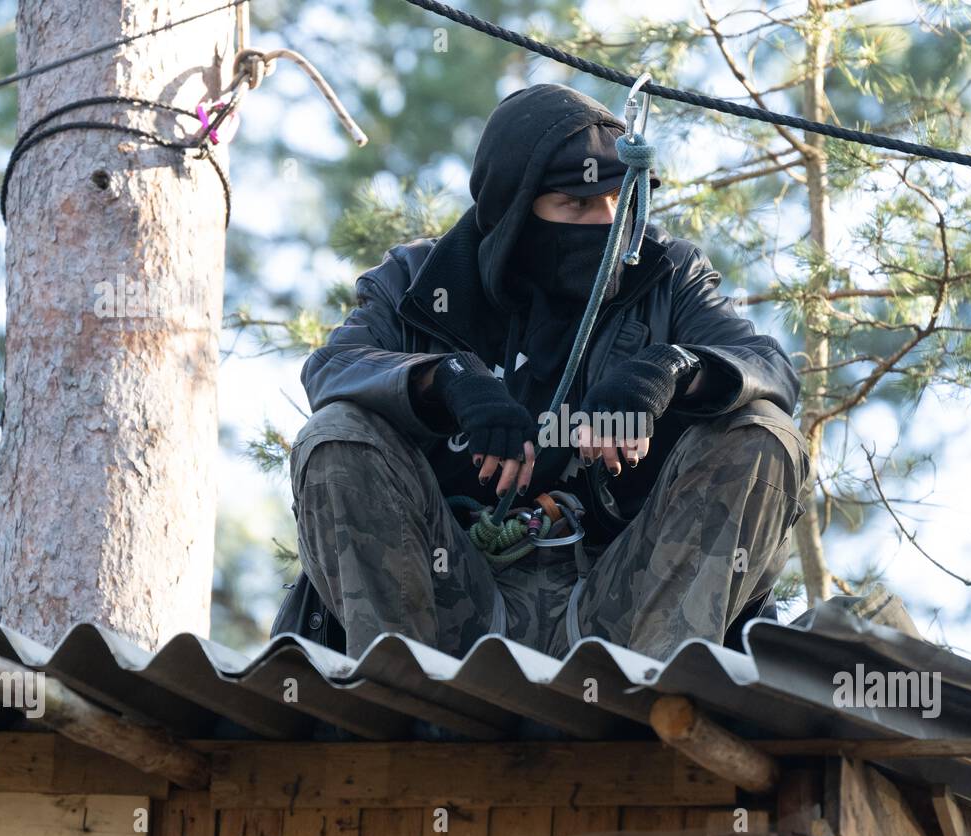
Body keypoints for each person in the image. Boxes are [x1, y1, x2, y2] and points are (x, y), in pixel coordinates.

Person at [281, 82, 811, 662]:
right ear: (513, 213)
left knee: (762, 430)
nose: (606, 223)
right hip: (448, 604)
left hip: (627, 606)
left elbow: (771, 370)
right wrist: (447, 380)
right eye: (577, 205)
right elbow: (331, 368)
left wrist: (669, 369)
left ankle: (659, 699)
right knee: (337, 432)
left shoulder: (668, 274)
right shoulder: (415, 280)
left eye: (618, 200)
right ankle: (401, 695)